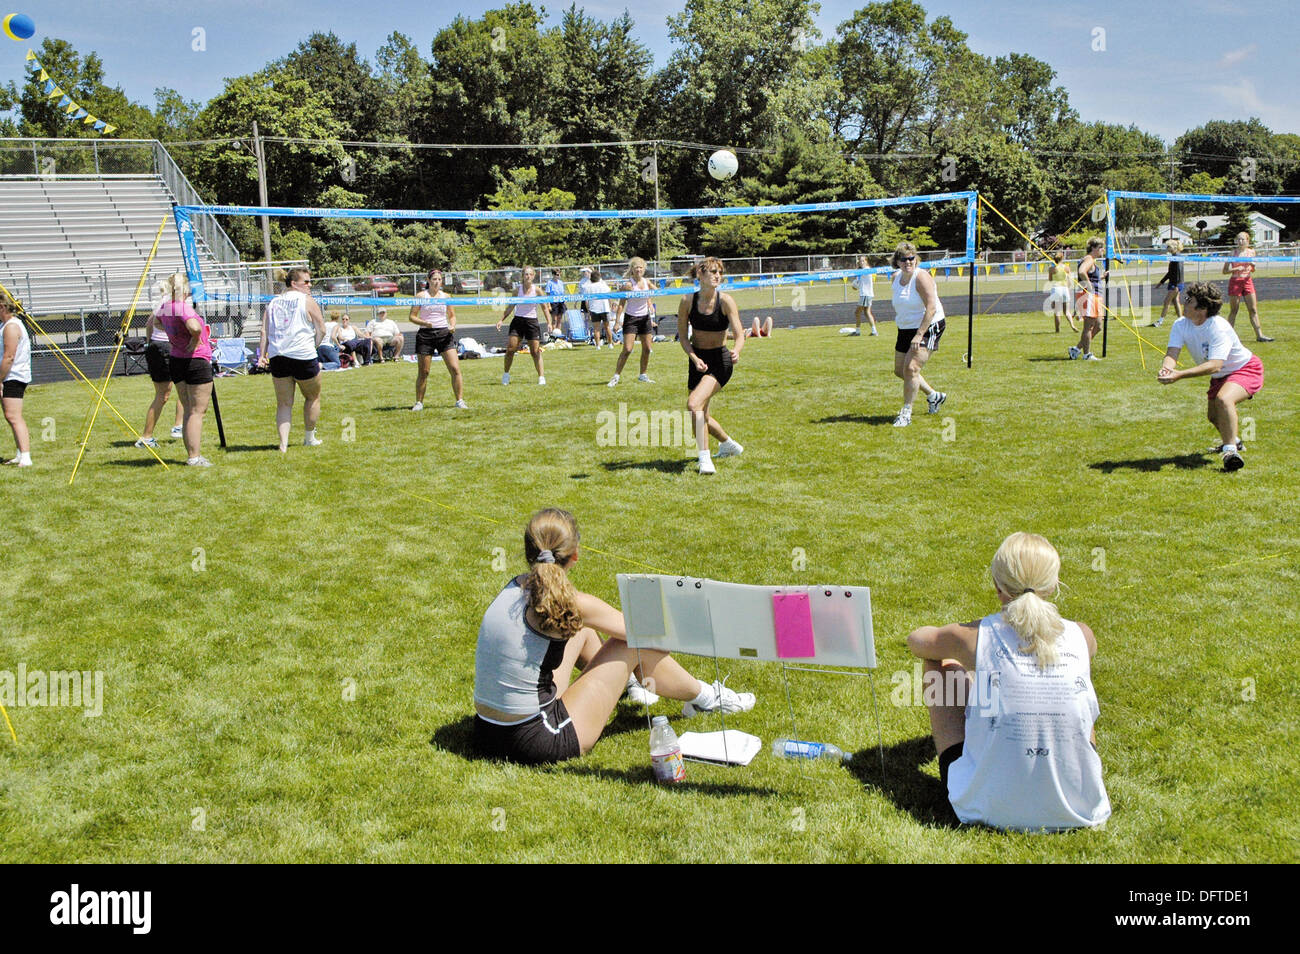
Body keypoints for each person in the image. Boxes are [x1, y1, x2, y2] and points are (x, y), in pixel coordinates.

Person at [472, 508, 756, 764]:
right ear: (575, 554)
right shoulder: (572, 603)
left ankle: (632, 683)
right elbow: (651, 633)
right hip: (538, 739)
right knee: (632, 643)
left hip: (486, 733)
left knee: (581, 629)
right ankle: (706, 698)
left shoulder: (511, 588)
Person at [907, 532, 1110, 831]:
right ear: (1053, 585)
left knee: (942, 663)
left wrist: (962, 644)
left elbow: (918, 642)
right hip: (1080, 808)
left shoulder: (973, 637)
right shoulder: (1083, 635)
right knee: (1074, 678)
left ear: (997, 586)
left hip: (984, 807)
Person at [1158, 281, 1262, 472]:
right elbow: (1172, 353)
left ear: (1203, 308)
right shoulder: (1181, 324)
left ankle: (1230, 453)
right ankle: (1235, 441)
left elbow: (1215, 365)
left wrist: (1179, 375)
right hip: (1221, 377)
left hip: (1245, 368)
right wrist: (1167, 369)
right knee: (1214, 416)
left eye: (1189, 300)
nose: (1184, 301)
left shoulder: (1218, 326)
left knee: (1224, 399)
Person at [678, 257, 744, 475]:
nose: (717, 276)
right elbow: (684, 339)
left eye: (720, 272)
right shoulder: (687, 300)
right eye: (713, 272)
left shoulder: (726, 301)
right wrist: (694, 358)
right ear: (700, 275)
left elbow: (739, 333)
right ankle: (728, 444)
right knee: (700, 415)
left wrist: (737, 349)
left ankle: (705, 460)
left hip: (720, 361)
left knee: (693, 404)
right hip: (697, 360)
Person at [258, 266, 326, 451]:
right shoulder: (307, 300)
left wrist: (262, 355)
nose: (310, 285)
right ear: (294, 284)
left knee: (284, 403)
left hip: (278, 356)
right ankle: (309, 437)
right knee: (313, 397)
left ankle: (283, 444)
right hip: (302, 355)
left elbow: (264, 331)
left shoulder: (273, 303)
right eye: (306, 282)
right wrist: (314, 346)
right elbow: (322, 329)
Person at [154, 272, 215, 467]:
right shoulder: (181, 307)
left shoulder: (165, 307)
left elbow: (156, 323)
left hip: (177, 359)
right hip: (195, 360)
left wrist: (176, 336)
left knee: (188, 409)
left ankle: (192, 455)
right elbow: (195, 327)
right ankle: (194, 457)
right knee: (197, 411)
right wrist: (194, 339)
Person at [889, 242, 947, 427]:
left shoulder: (921, 277)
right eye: (904, 259)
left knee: (912, 369)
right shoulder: (895, 277)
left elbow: (931, 308)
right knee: (900, 371)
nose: (908, 262)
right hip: (906, 327)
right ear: (897, 262)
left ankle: (906, 412)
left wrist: (919, 334)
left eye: (911, 258)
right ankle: (933, 395)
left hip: (928, 325)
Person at [135, 280, 186, 449]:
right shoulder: (173, 303)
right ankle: (149, 436)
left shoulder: (162, 303)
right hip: (167, 348)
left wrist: (150, 343)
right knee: (178, 390)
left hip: (157, 347)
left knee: (165, 394)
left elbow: (150, 324)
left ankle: (177, 426)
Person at [409, 267, 467, 410]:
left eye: (439, 279)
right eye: (434, 279)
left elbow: (452, 316)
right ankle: (419, 402)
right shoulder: (421, 296)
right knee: (424, 372)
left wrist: (452, 325)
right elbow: (412, 316)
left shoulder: (446, 297)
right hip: (425, 334)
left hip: (444, 334)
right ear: (428, 280)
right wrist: (425, 323)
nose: (437, 282)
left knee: (455, 368)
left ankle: (459, 400)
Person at [609, 257, 656, 387]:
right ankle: (616, 376)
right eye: (636, 267)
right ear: (632, 270)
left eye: (641, 267)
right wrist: (618, 321)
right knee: (628, 349)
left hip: (645, 318)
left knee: (647, 349)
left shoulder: (647, 282)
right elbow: (621, 304)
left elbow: (658, 291)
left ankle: (643, 375)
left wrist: (649, 302)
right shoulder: (628, 285)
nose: (639, 270)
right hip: (631, 319)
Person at [496, 265, 545, 386]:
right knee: (511, 349)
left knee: (535, 351)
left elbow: (545, 307)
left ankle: (541, 377)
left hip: (532, 322)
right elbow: (510, 306)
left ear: (533, 276)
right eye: (526, 274)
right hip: (518, 321)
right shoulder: (517, 290)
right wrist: (501, 319)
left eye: (530, 274)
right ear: (523, 276)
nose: (528, 276)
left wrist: (550, 323)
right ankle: (506, 375)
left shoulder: (537, 290)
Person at [0, 291, 32, 467]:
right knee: (10, 416)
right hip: (10, 376)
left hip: (14, 376)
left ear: (2, 307)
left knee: (14, 416)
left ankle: (26, 456)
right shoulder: (5, 325)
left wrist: (0, 379)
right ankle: (20, 453)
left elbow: (9, 356)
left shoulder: (11, 326)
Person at [1223, 231, 1273, 342]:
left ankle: (1259, 335)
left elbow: (1253, 270)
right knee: (1234, 310)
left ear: (1247, 241)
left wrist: (1252, 265)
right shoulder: (1233, 253)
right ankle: (1228, 337)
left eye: (1242, 239)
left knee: (1253, 309)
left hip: (1247, 281)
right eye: (1238, 239)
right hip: (1235, 281)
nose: (1240, 241)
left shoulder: (1251, 252)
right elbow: (1225, 271)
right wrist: (1236, 268)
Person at [1068, 238, 1107, 360]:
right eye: (1101, 248)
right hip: (1090, 295)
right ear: (1094, 248)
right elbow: (1081, 272)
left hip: (1095, 296)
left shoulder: (1091, 260)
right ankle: (1087, 354)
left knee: (1099, 326)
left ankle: (1076, 349)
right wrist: (1089, 286)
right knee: (1088, 326)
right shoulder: (1089, 259)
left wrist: (1101, 277)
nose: (1103, 250)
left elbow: (1089, 275)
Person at [1152, 240, 1184, 328]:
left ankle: (1160, 321)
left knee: (1167, 302)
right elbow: (1170, 273)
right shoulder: (1174, 257)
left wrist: (1176, 285)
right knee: (1176, 301)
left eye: (1168, 247)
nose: (1167, 249)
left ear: (1173, 247)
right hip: (1175, 283)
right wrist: (1161, 282)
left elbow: (1179, 272)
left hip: (1176, 284)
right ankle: (1181, 321)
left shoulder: (1177, 257)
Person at [1045, 252, 1078, 333]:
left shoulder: (1051, 269)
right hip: (1065, 289)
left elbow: (1050, 280)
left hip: (1056, 288)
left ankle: (1057, 329)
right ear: (1062, 259)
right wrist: (1069, 287)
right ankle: (1072, 325)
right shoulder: (1066, 268)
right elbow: (1070, 280)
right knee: (1066, 311)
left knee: (1057, 311)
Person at [582, 267, 612, 349]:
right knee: (607, 327)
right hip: (604, 308)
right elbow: (609, 297)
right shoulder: (603, 285)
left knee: (596, 328)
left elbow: (586, 301)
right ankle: (610, 344)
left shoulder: (588, 287)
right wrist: (610, 306)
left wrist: (588, 311)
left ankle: (598, 345)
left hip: (594, 309)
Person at [851, 255, 878, 335]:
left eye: (863, 261)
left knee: (857, 312)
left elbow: (857, 282)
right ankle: (874, 331)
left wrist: (855, 284)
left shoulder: (866, 270)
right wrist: (855, 285)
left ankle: (858, 331)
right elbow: (857, 285)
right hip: (866, 294)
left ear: (866, 261)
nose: (861, 262)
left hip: (865, 294)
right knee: (867, 312)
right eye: (860, 261)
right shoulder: (861, 271)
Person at [544, 269, 567, 335]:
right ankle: (553, 334)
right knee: (554, 319)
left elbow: (563, 293)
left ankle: (558, 334)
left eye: (559, 274)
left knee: (559, 319)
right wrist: (548, 305)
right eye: (557, 274)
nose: (559, 276)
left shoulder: (561, 282)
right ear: (553, 275)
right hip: (553, 302)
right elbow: (548, 294)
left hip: (561, 302)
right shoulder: (549, 283)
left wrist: (564, 302)